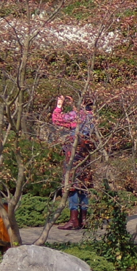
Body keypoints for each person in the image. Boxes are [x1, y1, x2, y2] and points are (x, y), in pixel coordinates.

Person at [52, 95, 96, 229]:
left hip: (74, 152)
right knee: (84, 185)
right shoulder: (92, 116)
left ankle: (73, 220)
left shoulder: (77, 115)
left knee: (71, 184)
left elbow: (57, 120)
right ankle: (84, 219)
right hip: (86, 152)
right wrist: (73, 106)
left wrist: (59, 104)